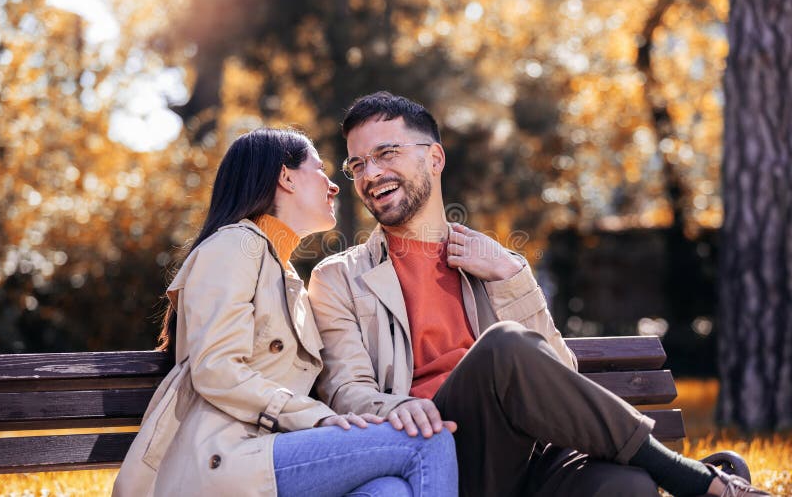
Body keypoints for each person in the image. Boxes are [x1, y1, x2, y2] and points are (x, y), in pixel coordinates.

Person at [307, 92, 772, 497]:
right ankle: (693, 478)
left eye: (387, 153)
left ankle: (674, 476)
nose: (371, 173)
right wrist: (406, 408)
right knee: (504, 345)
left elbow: (557, 372)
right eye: (358, 164)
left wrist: (509, 274)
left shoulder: (494, 262)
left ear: (435, 158)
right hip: (443, 454)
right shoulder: (340, 278)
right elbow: (348, 392)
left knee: (626, 486)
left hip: (533, 459)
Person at [112, 128, 458, 497]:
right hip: (226, 460)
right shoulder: (234, 245)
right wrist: (319, 418)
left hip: (271, 454)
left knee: (389, 491)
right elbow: (217, 368)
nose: (334, 185)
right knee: (426, 439)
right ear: (286, 177)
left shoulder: (284, 273)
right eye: (320, 169)